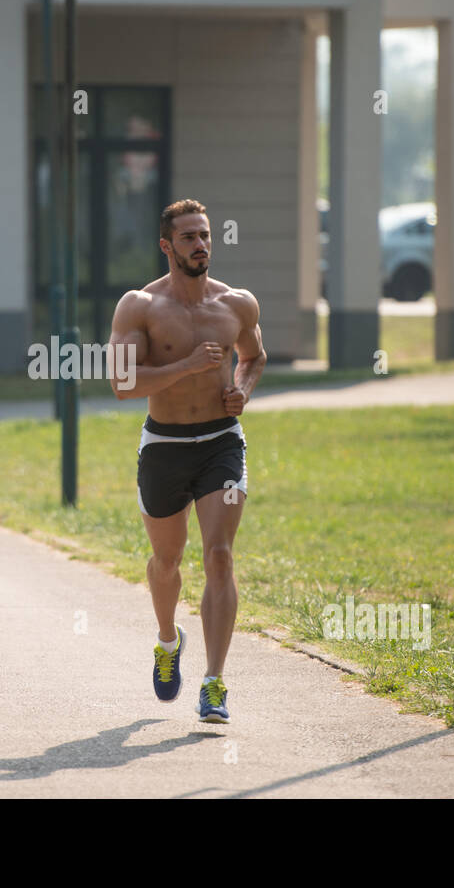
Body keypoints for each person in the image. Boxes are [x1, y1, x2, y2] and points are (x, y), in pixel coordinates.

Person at [108, 198, 266, 723]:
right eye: (189, 237)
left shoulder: (237, 304)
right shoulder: (140, 306)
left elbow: (254, 356)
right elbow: (123, 383)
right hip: (166, 448)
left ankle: (215, 682)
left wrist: (241, 389)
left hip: (222, 441)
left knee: (219, 554)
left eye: (205, 235)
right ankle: (167, 640)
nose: (200, 245)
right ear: (166, 246)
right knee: (167, 563)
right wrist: (188, 365)